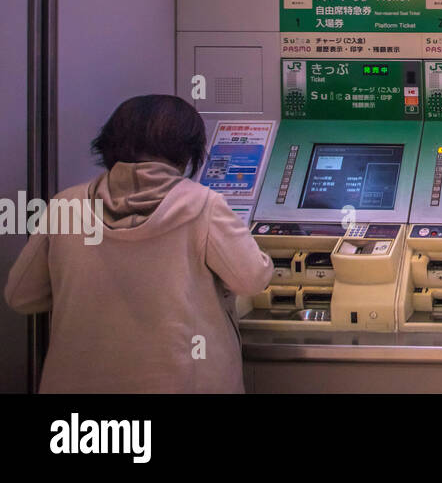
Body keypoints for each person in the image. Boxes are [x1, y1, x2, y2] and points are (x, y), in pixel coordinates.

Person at [5, 95, 273, 392]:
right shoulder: (202, 205)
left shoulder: (65, 205)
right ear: (188, 151)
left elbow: (22, 295)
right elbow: (252, 279)